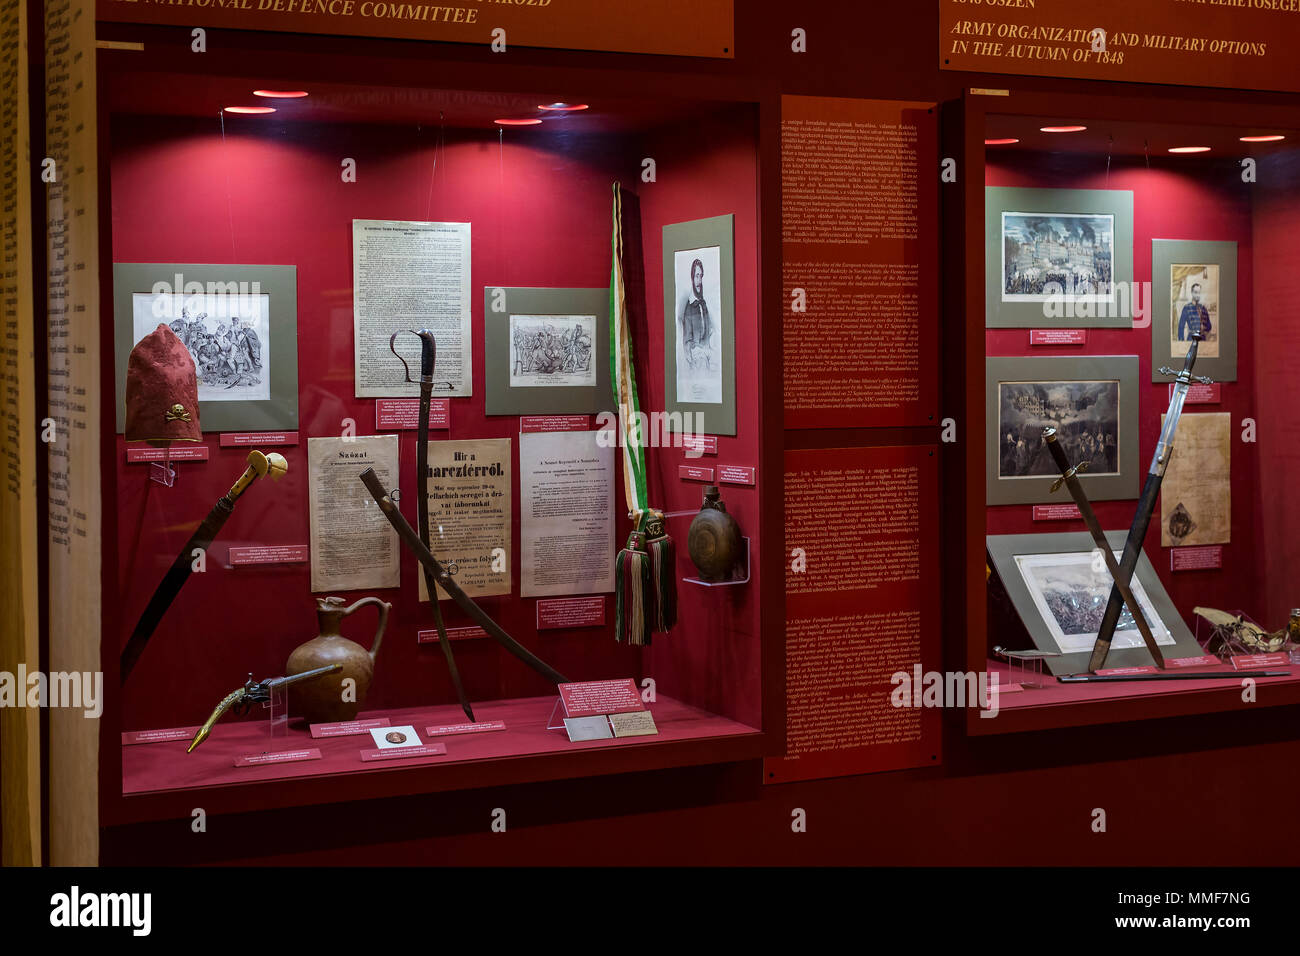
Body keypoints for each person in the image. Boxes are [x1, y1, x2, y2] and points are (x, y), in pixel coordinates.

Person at [680, 258, 712, 369]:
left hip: (708, 356)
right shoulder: (689, 308)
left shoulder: (704, 305)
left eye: (701, 276)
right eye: (696, 276)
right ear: (692, 278)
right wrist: (700, 353)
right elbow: (687, 342)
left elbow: (709, 333)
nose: (699, 281)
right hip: (696, 361)